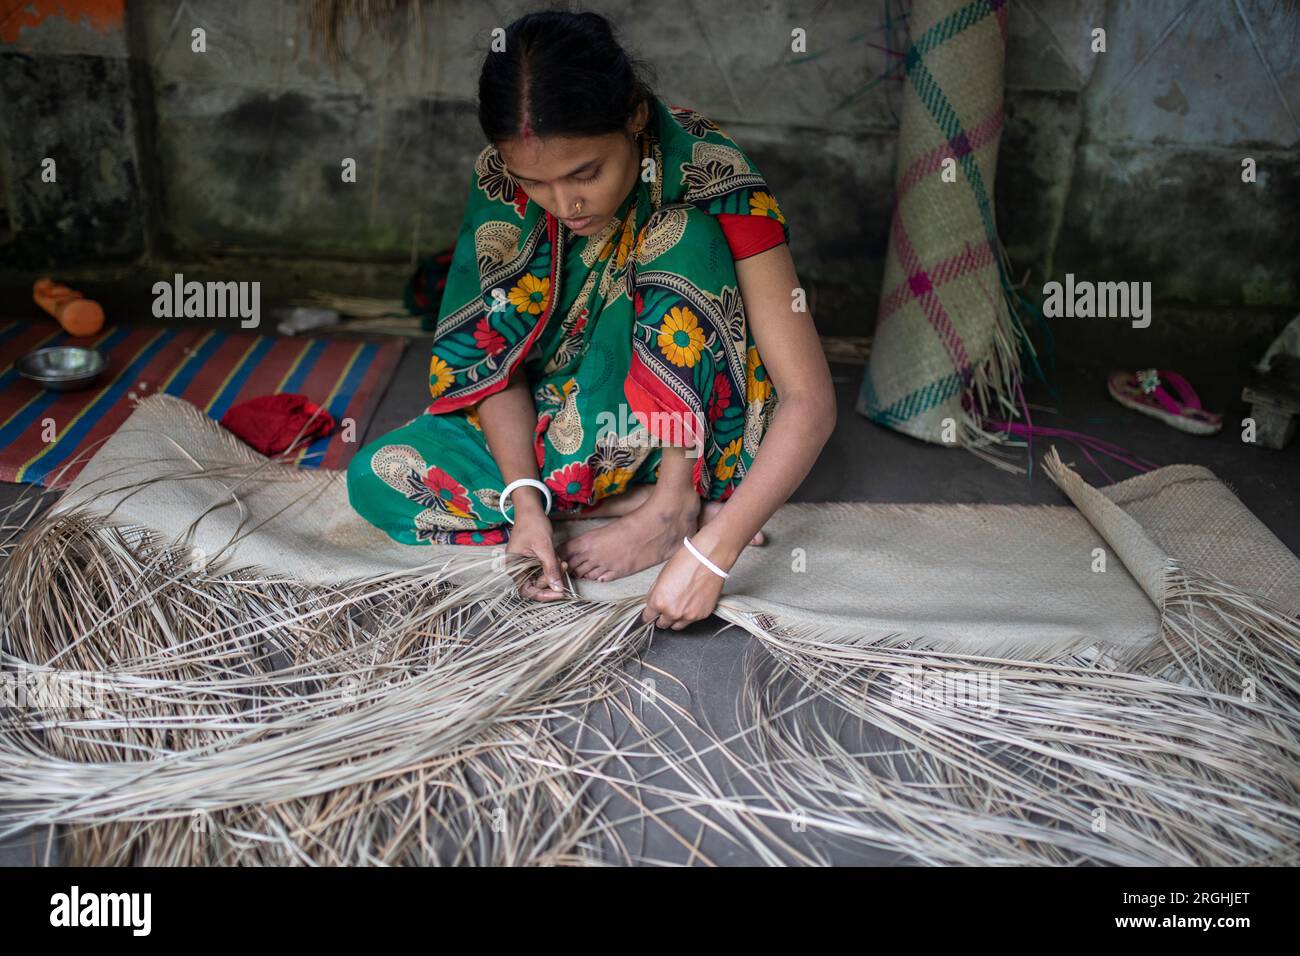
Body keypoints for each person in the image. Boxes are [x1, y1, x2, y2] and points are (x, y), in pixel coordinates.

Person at [347, 9, 836, 630]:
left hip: (705, 433)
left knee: (680, 234)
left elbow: (809, 399)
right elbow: (494, 366)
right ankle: (611, 500)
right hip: (572, 420)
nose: (566, 203)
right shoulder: (500, 185)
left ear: (632, 116)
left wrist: (712, 555)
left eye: (586, 174)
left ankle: (673, 507)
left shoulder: (713, 173)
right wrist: (524, 504)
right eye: (537, 183)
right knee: (378, 477)